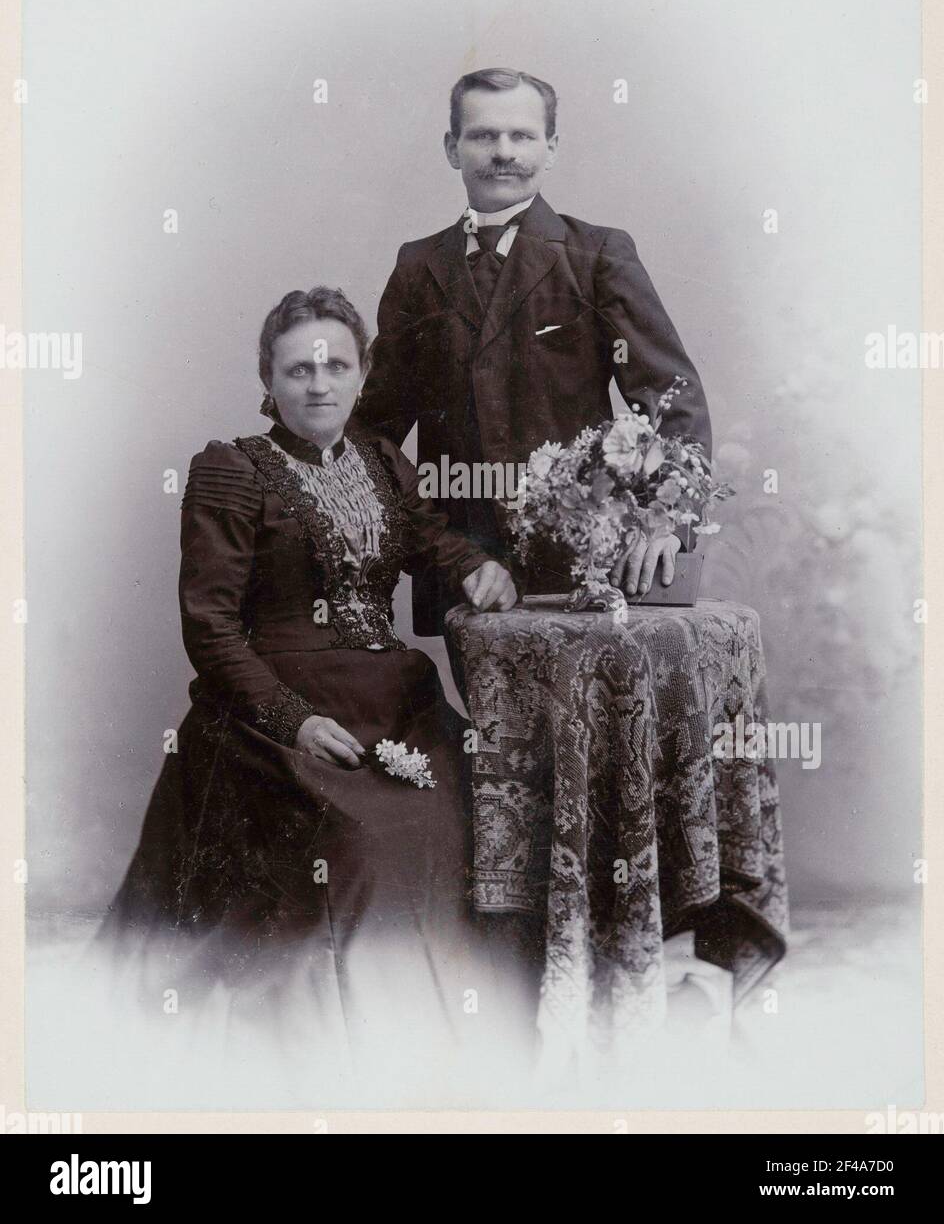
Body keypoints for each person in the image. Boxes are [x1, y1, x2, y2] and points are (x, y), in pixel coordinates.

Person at [97, 286, 522, 1086]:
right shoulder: (231, 472)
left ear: (362, 375)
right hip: (270, 713)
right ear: (269, 379)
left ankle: (476, 1035)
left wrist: (478, 568)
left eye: (336, 366)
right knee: (357, 841)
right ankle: (342, 1062)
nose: (318, 384)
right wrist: (293, 721)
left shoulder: (381, 459)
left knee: (483, 805)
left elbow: (428, 539)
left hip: (395, 696)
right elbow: (211, 629)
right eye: (298, 370)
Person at [358, 67, 712, 635]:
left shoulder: (596, 255)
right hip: (472, 575)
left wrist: (666, 522)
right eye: (482, 136)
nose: (503, 153)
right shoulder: (418, 268)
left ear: (551, 147)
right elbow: (372, 435)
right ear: (453, 149)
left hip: (587, 562)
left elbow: (675, 402)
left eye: (522, 136)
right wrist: (447, 552)